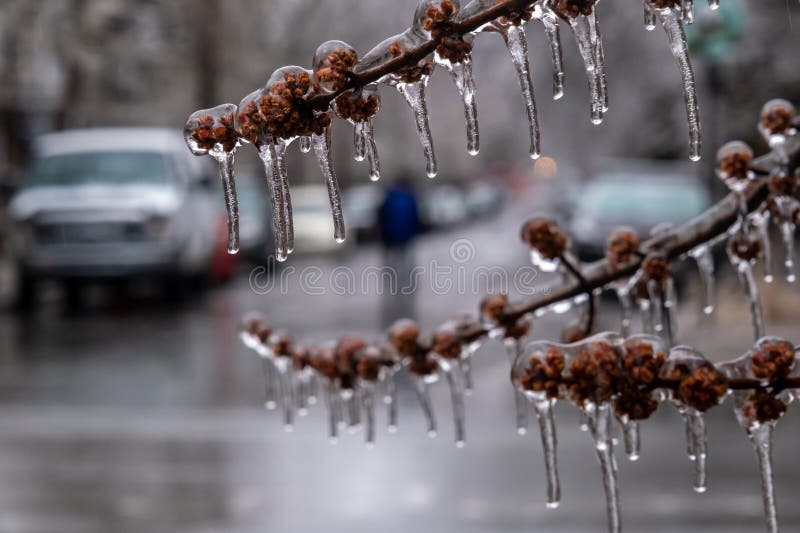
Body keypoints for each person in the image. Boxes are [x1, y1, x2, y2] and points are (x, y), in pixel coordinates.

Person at [377, 175, 421, 326]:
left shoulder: (389, 197)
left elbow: (380, 216)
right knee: (406, 263)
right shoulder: (409, 197)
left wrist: (382, 235)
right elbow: (416, 216)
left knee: (391, 264)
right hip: (406, 237)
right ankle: (404, 284)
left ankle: (392, 284)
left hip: (390, 238)